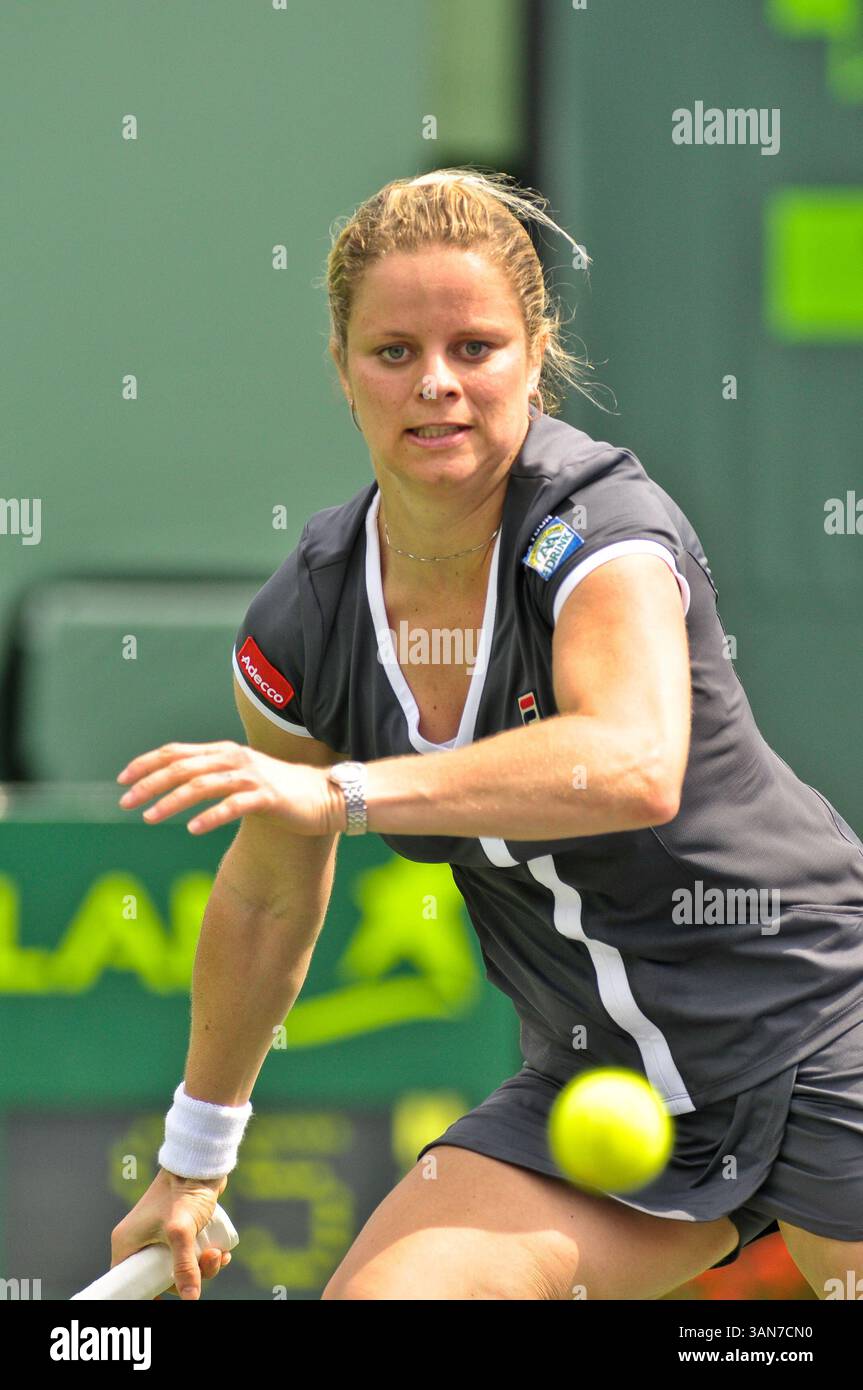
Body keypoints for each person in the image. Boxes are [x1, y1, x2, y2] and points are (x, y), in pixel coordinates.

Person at [111, 168, 863, 1301]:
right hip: (598, 1082)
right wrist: (191, 1164)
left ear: (534, 351)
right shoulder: (305, 622)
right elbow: (268, 895)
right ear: (341, 368)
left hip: (815, 1018)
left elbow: (629, 761)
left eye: (475, 347)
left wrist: (350, 791)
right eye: (394, 352)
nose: (437, 386)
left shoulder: (601, 530)